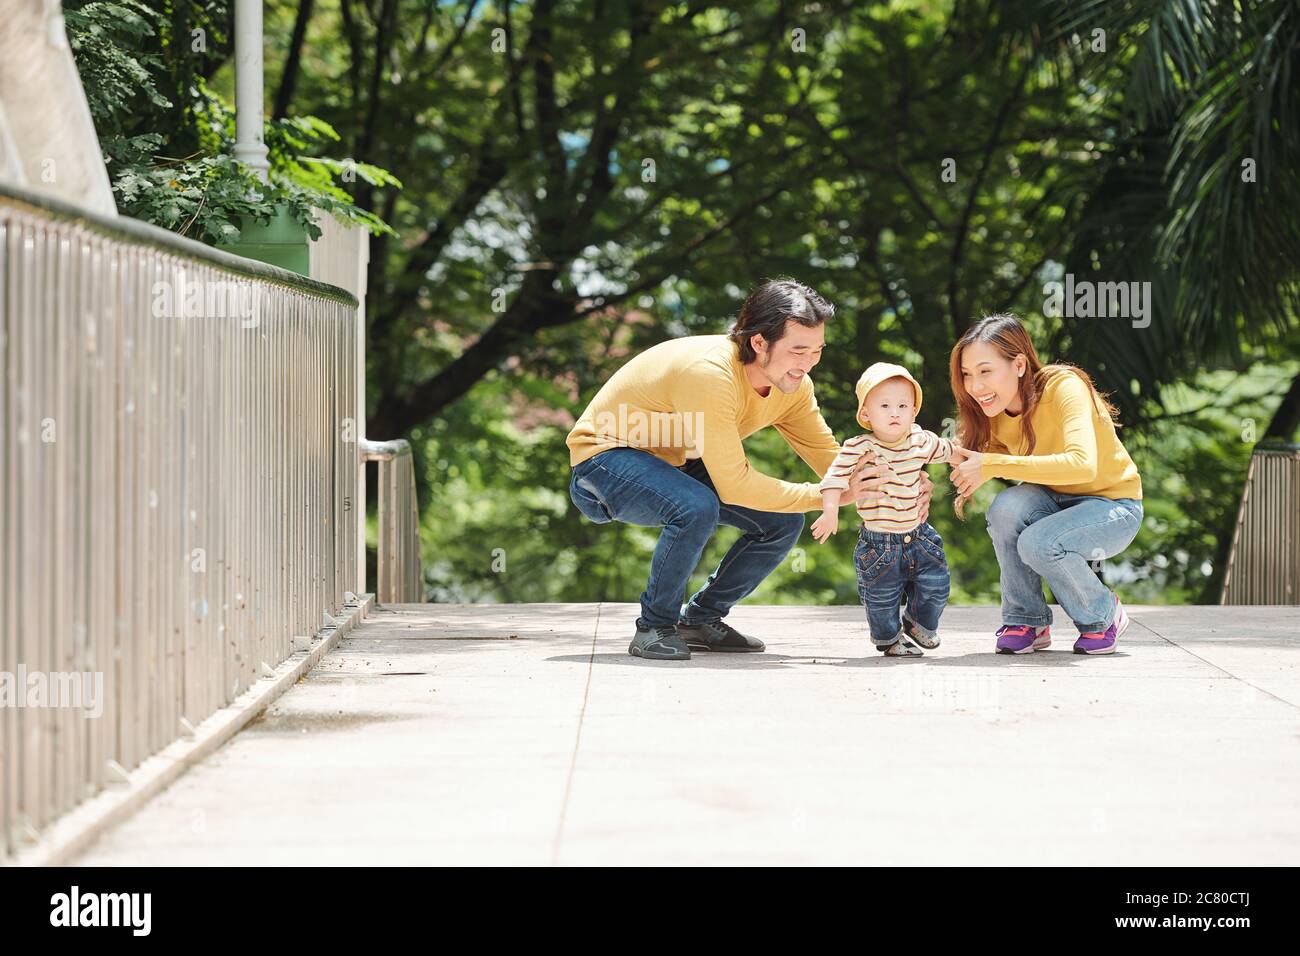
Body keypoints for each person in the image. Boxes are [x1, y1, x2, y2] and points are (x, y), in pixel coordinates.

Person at [565, 279, 935, 660]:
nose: (808, 363)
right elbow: (735, 484)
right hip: (602, 465)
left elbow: (831, 456)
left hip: (673, 462)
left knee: (782, 520)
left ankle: (700, 620)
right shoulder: (710, 374)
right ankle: (654, 627)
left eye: (816, 351)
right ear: (759, 342)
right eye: (798, 351)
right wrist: (830, 494)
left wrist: (897, 480)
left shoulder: (793, 387)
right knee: (696, 506)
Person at [947, 314, 1143, 655]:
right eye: (967, 375)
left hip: (1114, 507)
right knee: (1005, 509)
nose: (975, 386)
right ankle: (1027, 620)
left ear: (1019, 364)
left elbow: (1083, 464)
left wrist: (992, 464)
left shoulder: (1064, 387)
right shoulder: (992, 414)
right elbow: (959, 452)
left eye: (985, 371)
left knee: (1037, 542)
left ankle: (1102, 615)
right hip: (1054, 501)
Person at [813, 363, 958, 656]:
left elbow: (953, 450)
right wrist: (831, 512)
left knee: (937, 584)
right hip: (879, 544)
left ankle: (918, 623)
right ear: (866, 414)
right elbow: (834, 480)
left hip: (919, 536)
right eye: (885, 405)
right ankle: (889, 639)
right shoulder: (859, 446)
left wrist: (976, 459)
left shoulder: (921, 440)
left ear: (914, 412)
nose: (895, 412)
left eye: (903, 405)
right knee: (881, 598)